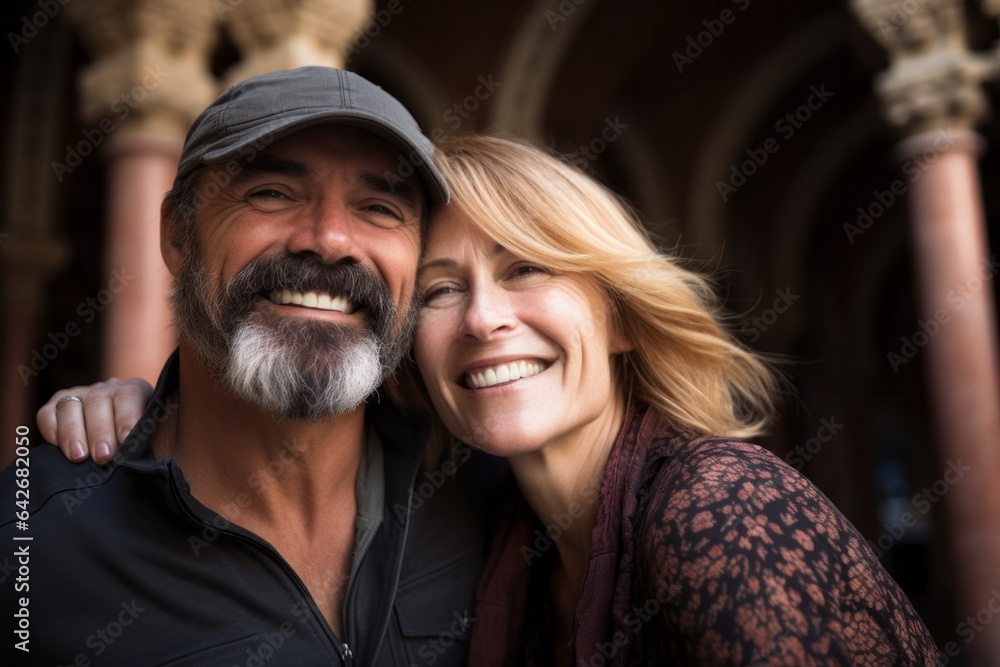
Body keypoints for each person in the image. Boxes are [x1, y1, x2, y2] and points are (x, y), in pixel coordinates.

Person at [38, 134, 940, 664]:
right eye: (440, 289)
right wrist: (155, 409)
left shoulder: (716, 508)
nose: (483, 319)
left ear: (622, 318)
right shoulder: (491, 525)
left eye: (528, 269)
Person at [2, 66, 498, 666]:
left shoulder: (486, 495)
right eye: (272, 193)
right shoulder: (31, 540)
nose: (329, 239)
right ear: (178, 236)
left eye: (379, 207)